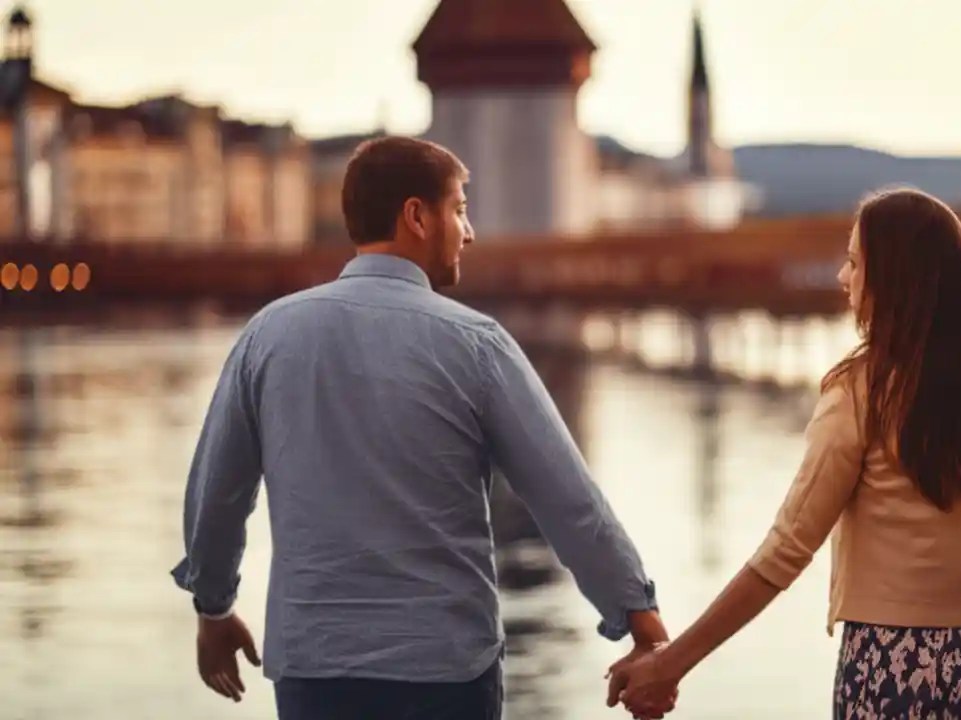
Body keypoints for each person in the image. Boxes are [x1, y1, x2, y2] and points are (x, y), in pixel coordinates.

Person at [170, 136, 674, 720]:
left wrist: (213, 608)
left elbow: (218, 493)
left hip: (315, 668)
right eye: (459, 208)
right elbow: (567, 501)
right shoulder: (476, 344)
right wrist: (643, 623)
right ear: (416, 216)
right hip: (445, 673)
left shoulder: (269, 335)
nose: (469, 230)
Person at [608, 187, 961, 718]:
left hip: (893, 669)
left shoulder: (859, 395)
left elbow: (784, 552)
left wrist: (670, 664)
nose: (843, 278)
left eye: (854, 262)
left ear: (893, 281)